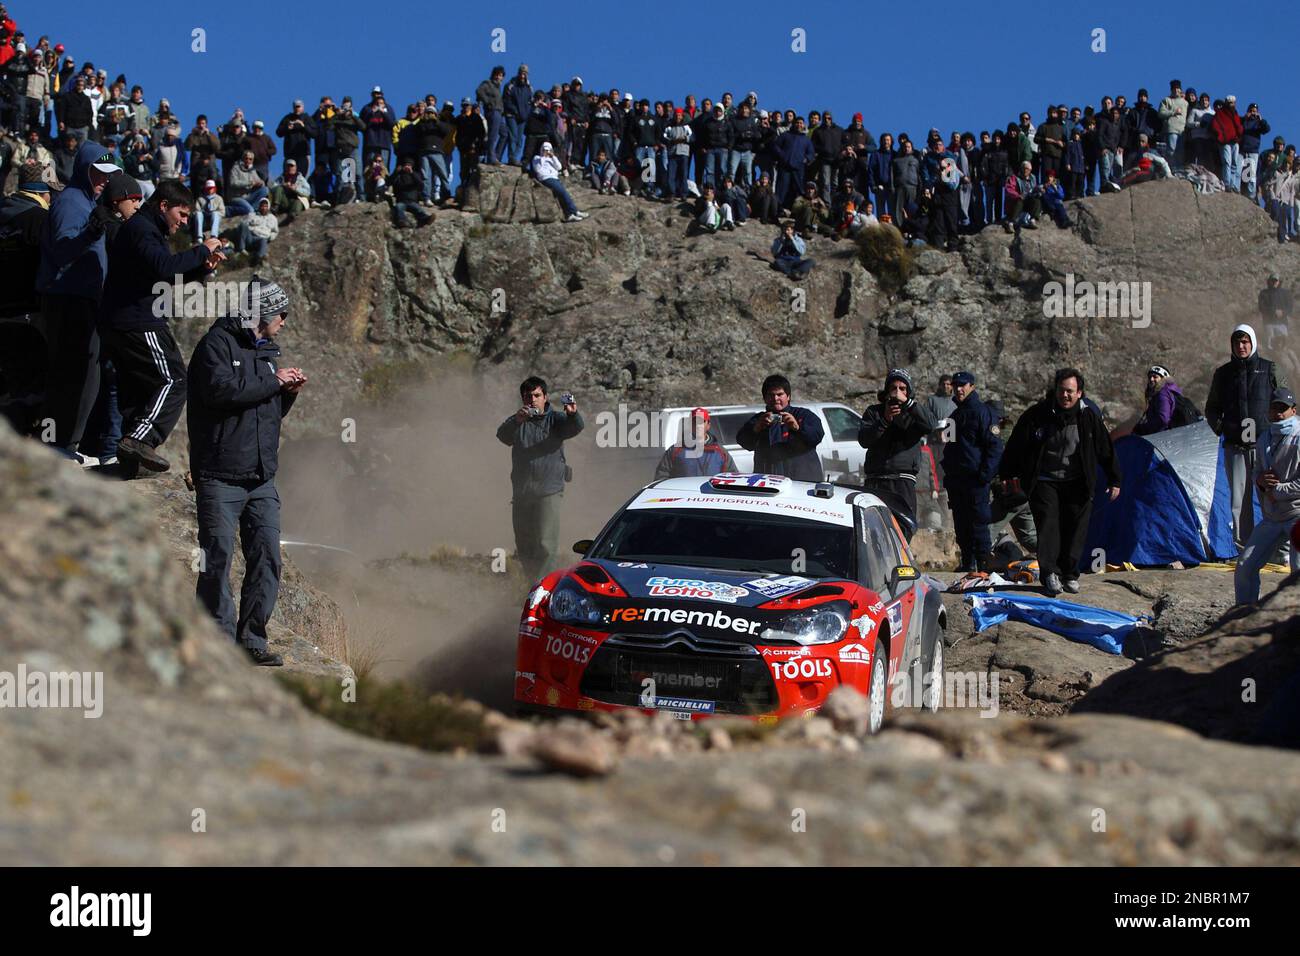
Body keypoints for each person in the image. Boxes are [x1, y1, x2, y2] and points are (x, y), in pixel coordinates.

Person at [188, 278, 306, 666]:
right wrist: (273, 381)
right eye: (282, 314)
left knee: (267, 557)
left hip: (261, 479)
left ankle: (252, 639)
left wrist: (285, 395)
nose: (284, 322)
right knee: (217, 558)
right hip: (219, 476)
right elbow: (221, 393)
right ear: (262, 313)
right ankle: (217, 644)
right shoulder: (216, 346)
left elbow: (264, 412)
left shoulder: (269, 351)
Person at [99, 178, 223, 474]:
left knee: (138, 390)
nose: (183, 222)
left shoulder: (146, 230)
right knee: (175, 380)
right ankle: (140, 440)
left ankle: (129, 463)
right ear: (163, 206)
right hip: (137, 320)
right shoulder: (142, 229)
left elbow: (162, 276)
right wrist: (202, 250)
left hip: (121, 321)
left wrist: (200, 270)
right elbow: (164, 267)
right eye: (181, 214)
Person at [34, 141, 120, 462]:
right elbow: (63, 249)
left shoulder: (85, 203)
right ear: (85, 169)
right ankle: (51, 445)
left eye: (108, 174)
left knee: (78, 377)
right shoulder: (72, 202)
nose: (103, 179)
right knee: (66, 378)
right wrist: (91, 232)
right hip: (66, 300)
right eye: (98, 171)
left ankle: (63, 445)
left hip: (80, 301)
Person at [1000, 368, 1120, 595]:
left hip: (1078, 481)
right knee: (1048, 526)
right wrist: (1007, 475)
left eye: (1070, 392)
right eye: (1061, 391)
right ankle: (1049, 573)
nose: (1065, 396)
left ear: (1080, 393)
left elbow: (1105, 448)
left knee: (1075, 530)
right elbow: (1016, 446)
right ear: (1055, 391)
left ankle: (1070, 574)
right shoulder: (1037, 415)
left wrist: (1115, 479)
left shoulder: (1088, 416)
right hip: (1045, 480)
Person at [1206, 324, 1287, 549]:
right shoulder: (1223, 374)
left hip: (1265, 446)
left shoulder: (1270, 369)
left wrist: (1279, 431)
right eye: (1237, 343)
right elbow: (1212, 408)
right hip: (1235, 447)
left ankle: (1279, 548)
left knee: (1271, 494)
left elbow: (1285, 400)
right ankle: (1245, 548)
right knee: (1239, 501)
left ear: (1252, 343)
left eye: (1245, 342)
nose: (1241, 346)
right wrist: (1223, 428)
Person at [496, 376, 583, 581]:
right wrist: (517, 420)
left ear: (545, 397)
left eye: (537, 395)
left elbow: (575, 427)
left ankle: (542, 589)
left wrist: (573, 415)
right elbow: (502, 436)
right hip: (523, 492)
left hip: (549, 490)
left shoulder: (556, 420)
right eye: (528, 396)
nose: (533, 400)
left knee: (545, 543)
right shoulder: (519, 422)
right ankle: (531, 584)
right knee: (524, 543)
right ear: (523, 399)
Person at [1235, 388, 1300, 604]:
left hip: (1297, 514)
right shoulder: (1265, 437)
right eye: (1274, 408)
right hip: (1272, 516)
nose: (1278, 413)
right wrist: (1261, 482)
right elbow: (1257, 471)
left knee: (1298, 571)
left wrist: (1276, 491)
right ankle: (1243, 614)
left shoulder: (1298, 436)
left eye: (1283, 408)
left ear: (1293, 410)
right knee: (1245, 566)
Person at [857, 368, 939, 538]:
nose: (897, 392)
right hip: (876, 480)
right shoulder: (874, 412)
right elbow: (864, 440)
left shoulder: (915, 413)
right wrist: (885, 420)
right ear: (887, 391)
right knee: (873, 529)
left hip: (903, 481)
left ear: (909, 392)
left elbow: (931, 425)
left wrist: (909, 405)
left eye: (902, 388)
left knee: (904, 529)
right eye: (893, 388)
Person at [942, 370, 1002, 572]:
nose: (959, 389)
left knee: (979, 524)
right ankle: (967, 563)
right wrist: (948, 475)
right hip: (957, 481)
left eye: (963, 385)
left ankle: (984, 565)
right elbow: (947, 448)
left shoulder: (983, 412)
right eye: (956, 385)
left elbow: (994, 447)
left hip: (976, 480)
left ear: (972, 386)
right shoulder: (954, 417)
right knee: (961, 525)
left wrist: (984, 475)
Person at [735, 374, 824, 481]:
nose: (775, 398)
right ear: (764, 398)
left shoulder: (804, 415)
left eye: (780, 394)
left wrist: (797, 428)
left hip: (802, 482)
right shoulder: (758, 419)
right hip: (768, 482)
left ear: (788, 396)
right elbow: (743, 441)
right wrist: (756, 429)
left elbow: (816, 437)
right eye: (771, 395)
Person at [654, 407, 736, 479]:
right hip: (683, 496)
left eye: (701, 422)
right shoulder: (675, 450)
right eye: (695, 422)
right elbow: (661, 477)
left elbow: (733, 477)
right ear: (690, 424)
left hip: (710, 496)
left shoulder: (721, 452)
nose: (698, 425)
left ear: (708, 425)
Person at [530, 142, 586, 222]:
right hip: (546, 178)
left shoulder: (552, 158)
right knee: (563, 192)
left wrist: (553, 157)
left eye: (548, 149)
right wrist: (543, 157)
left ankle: (569, 215)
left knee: (561, 194)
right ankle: (575, 211)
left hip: (555, 178)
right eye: (545, 149)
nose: (547, 151)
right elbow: (538, 170)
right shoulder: (537, 158)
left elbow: (559, 167)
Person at [1133, 365, 1194, 435]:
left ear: (1163, 378)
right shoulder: (1172, 390)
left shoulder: (1162, 393)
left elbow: (1163, 419)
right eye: (1150, 377)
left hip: (1165, 435)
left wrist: (1144, 429)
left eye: (1155, 377)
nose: (1151, 379)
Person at [388, 157, 433, 228]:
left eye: (409, 165)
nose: (407, 167)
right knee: (398, 208)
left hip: (413, 201)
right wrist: (396, 172)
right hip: (401, 201)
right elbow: (389, 182)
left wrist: (412, 173)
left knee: (419, 210)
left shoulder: (415, 174)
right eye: (406, 165)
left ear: (412, 166)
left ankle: (426, 219)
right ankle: (402, 221)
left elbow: (421, 185)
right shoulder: (398, 176)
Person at [236, 195, 278, 264]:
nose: (264, 208)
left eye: (265, 206)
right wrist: (252, 226)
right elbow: (244, 225)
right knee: (243, 225)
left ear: (268, 207)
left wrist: (271, 237)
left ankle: (258, 258)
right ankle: (241, 249)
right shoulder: (252, 215)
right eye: (262, 206)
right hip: (250, 236)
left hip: (261, 239)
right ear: (259, 207)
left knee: (263, 241)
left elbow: (275, 231)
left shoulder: (273, 218)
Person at [1259, 274, 1292, 352]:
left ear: (1279, 281)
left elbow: (1290, 307)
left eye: (1276, 280)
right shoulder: (1264, 293)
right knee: (1270, 347)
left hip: (1282, 323)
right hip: (1269, 323)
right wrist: (1274, 311)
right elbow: (1261, 307)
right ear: (1269, 281)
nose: (1274, 282)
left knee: (1284, 347)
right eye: (1272, 280)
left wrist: (1283, 312)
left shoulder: (1286, 293)